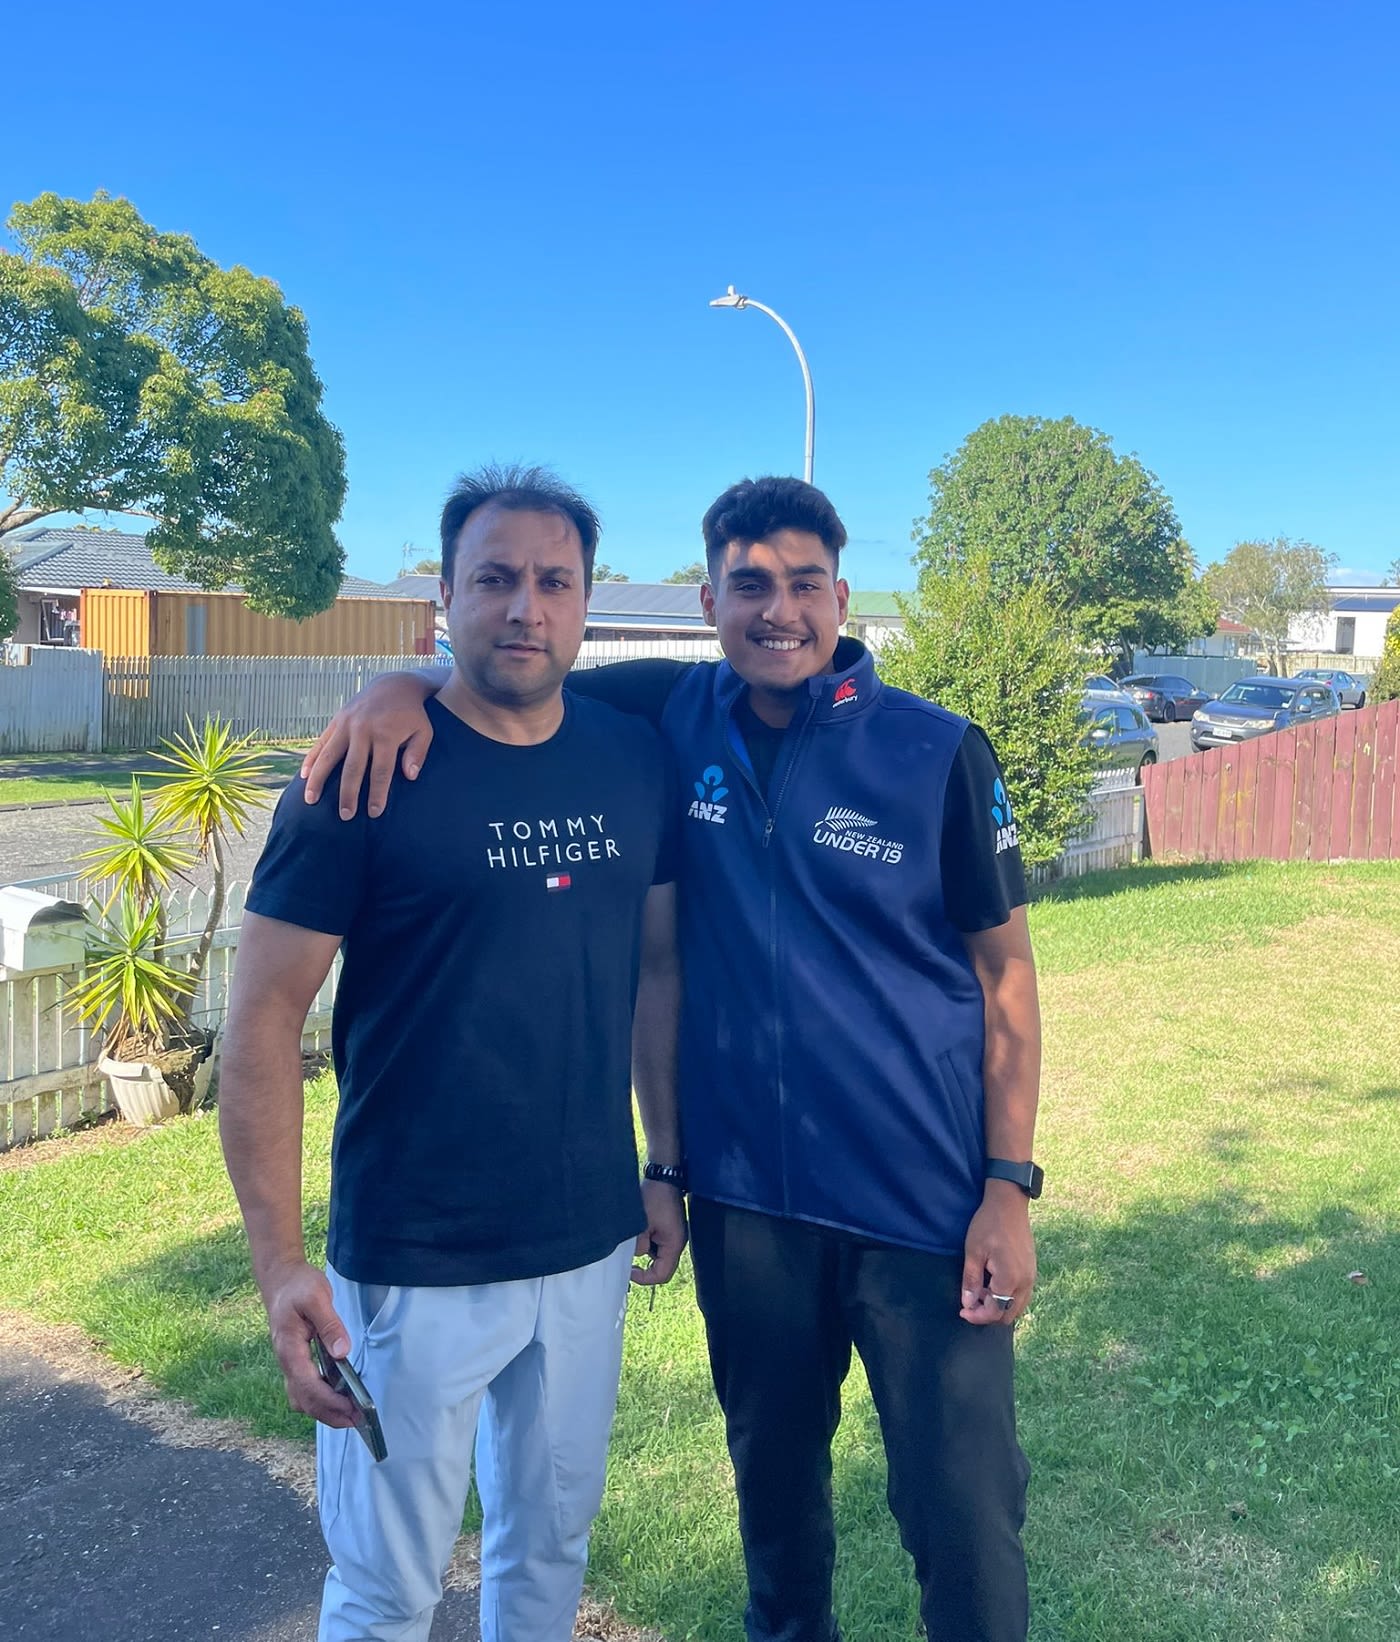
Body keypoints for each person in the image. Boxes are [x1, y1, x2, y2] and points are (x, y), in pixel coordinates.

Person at [302, 475, 1043, 1642]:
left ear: (843, 598)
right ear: (707, 601)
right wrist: (392, 683)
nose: (777, 612)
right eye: (749, 586)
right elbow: (507, 678)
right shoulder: (669, 713)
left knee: (959, 1520)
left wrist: (1007, 1186)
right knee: (776, 1510)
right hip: (747, 1205)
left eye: (804, 585)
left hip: (922, 1209)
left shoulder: (933, 751)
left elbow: (1005, 977)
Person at [220, 464, 685, 1642]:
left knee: (548, 1557)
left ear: (587, 601)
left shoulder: (634, 756)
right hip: (413, 1257)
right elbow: (265, 1017)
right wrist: (282, 1269)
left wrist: (665, 1160)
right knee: (386, 1588)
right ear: (444, 593)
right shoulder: (357, 778)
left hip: (588, 1243)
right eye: (493, 579)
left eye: (551, 581)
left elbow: (659, 972)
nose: (523, 607)